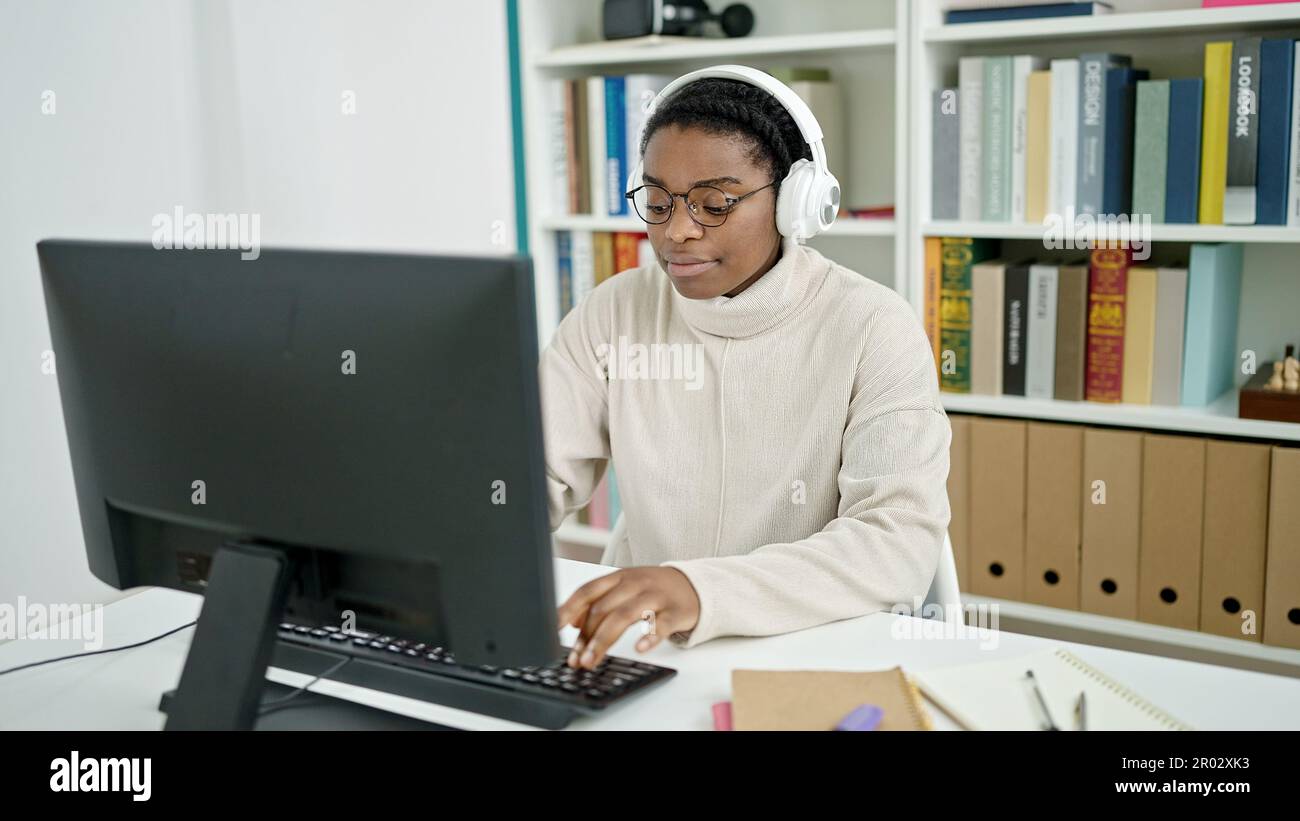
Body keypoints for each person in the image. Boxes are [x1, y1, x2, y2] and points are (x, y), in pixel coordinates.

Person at [542, 74, 952, 671]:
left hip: (813, 653)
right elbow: (525, 478)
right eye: (657, 202)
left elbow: (897, 541)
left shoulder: (871, 325)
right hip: (647, 648)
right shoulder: (617, 309)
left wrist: (700, 590)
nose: (676, 231)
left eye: (714, 204)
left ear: (794, 203)